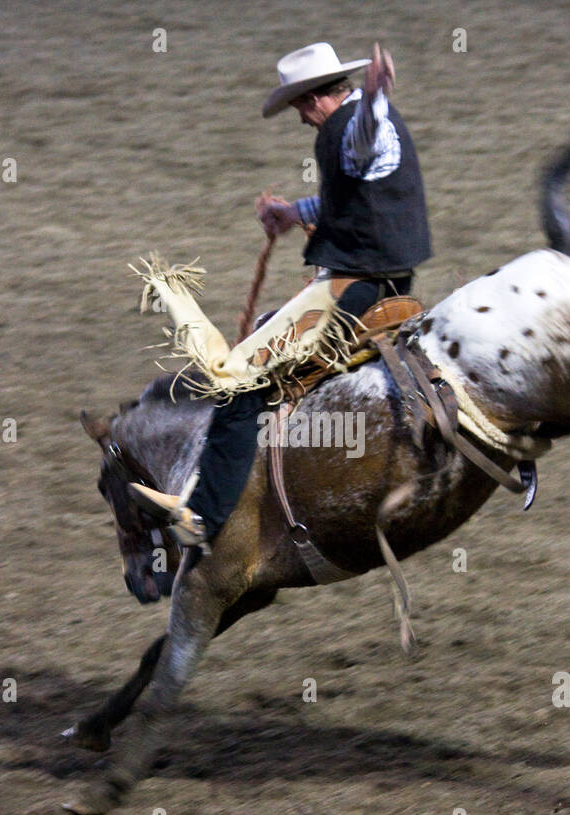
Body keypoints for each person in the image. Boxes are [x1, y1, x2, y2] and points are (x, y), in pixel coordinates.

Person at [129, 41, 432, 546]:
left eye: (299, 107)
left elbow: (361, 143)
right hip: (388, 278)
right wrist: (297, 213)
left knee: (236, 381)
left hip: (351, 289)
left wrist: (375, 100)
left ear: (315, 99)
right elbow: (355, 187)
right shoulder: (363, 124)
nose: (301, 120)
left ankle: (202, 515)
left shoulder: (352, 125)